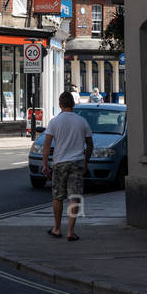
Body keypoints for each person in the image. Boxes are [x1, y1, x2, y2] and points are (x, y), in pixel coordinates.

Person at [40, 90, 93, 241]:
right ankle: (70, 231)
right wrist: (86, 161)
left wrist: (45, 164)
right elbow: (90, 144)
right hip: (77, 163)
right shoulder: (82, 121)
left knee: (57, 196)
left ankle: (57, 228)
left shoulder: (55, 121)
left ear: (60, 104)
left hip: (59, 163)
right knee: (74, 197)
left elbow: (47, 144)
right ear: (74, 104)